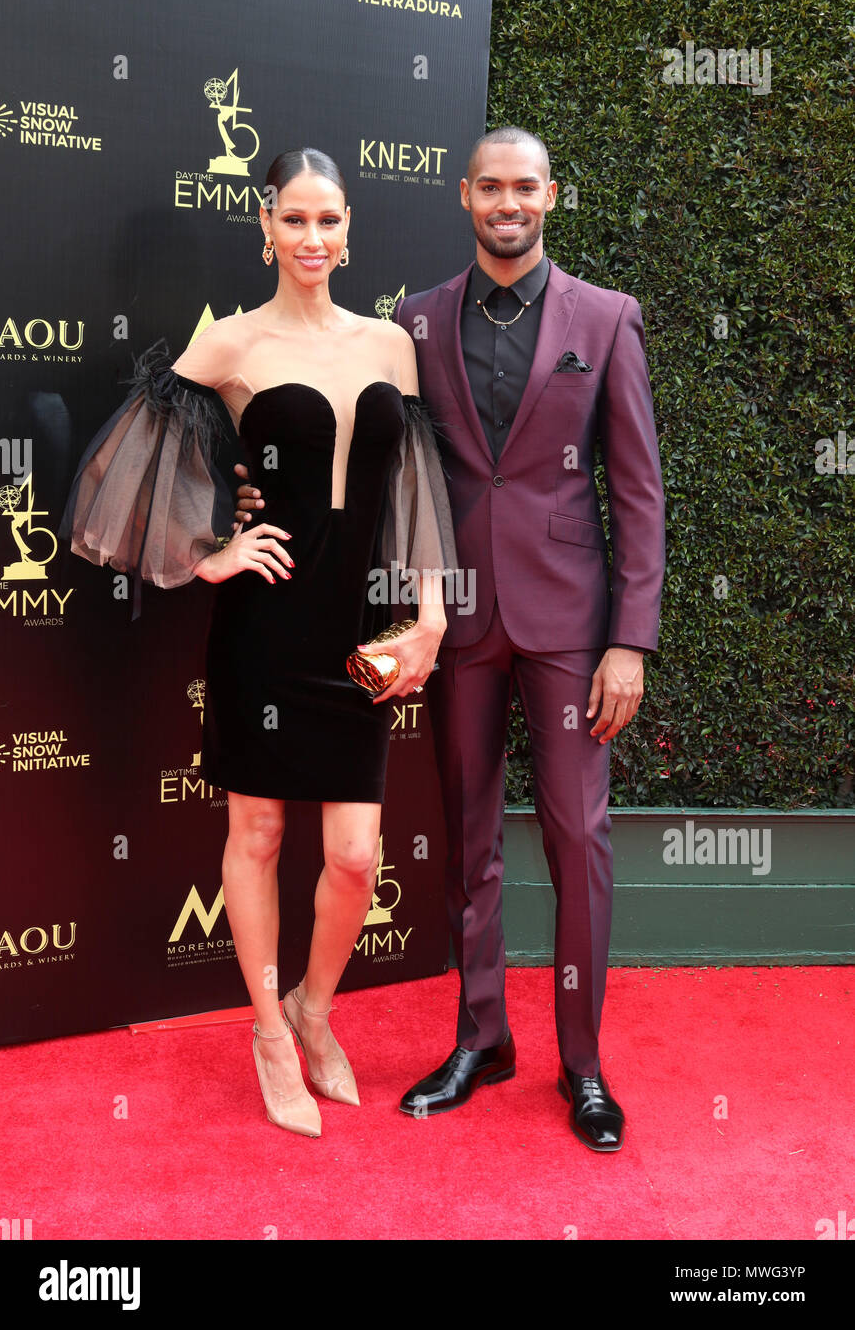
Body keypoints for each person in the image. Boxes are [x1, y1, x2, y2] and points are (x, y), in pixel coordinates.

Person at [238, 127, 667, 1152]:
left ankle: (583, 1064)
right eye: (490, 187)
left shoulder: (604, 320)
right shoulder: (413, 324)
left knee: (577, 840)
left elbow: (638, 490)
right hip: (456, 620)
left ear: (550, 196)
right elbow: (360, 444)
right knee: (467, 838)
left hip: (570, 626)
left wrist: (630, 642)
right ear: (463, 195)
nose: (507, 201)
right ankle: (481, 1038)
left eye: (525, 186)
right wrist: (253, 483)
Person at [62, 147, 456, 1139]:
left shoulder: (388, 346)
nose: (313, 238)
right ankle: (267, 1032)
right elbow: (135, 472)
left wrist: (432, 613)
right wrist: (212, 553)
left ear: (349, 230)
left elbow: (412, 492)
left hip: (356, 627)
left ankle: (313, 1010)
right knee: (259, 834)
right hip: (265, 629)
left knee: (356, 857)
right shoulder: (229, 346)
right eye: (295, 219)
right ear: (265, 227)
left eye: (329, 220)